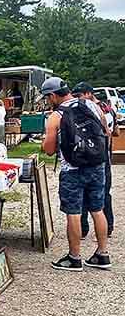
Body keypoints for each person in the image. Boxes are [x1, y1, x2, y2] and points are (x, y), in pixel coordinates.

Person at [41, 77, 110, 271]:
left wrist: (44, 143)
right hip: (97, 165)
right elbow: (105, 131)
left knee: (74, 213)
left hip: (72, 170)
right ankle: (102, 254)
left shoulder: (56, 116)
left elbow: (48, 149)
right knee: (98, 209)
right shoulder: (92, 105)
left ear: (53, 95)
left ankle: (74, 257)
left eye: (48, 98)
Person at [73, 82, 116, 238]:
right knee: (104, 192)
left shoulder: (88, 110)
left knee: (89, 193)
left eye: (79, 95)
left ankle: (85, 229)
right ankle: (107, 226)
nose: (78, 99)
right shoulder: (107, 108)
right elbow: (113, 131)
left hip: (94, 155)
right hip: (104, 154)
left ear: (88, 93)